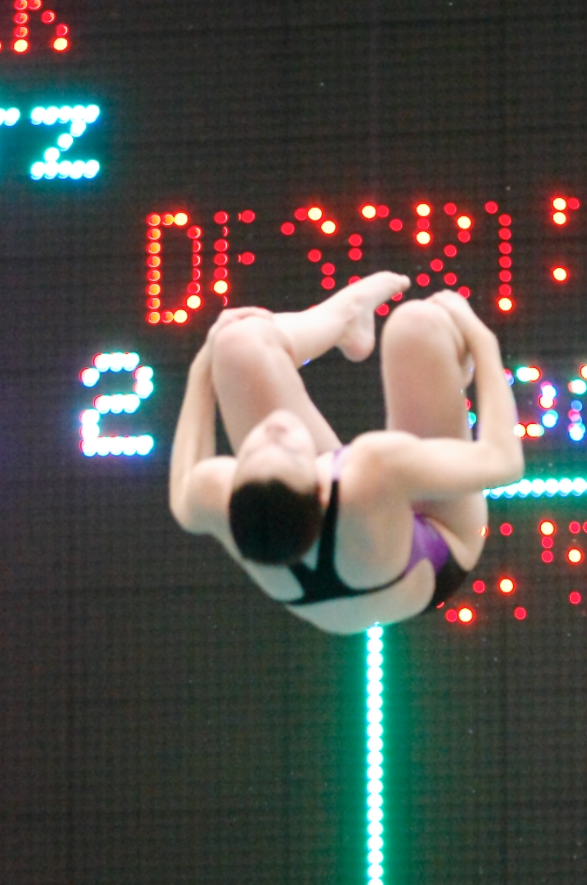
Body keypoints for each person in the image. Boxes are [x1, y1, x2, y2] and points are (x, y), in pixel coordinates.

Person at [169, 271, 524, 635]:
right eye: (289, 450)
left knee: (234, 344)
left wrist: (204, 366)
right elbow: (504, 461)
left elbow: (182, 496)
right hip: (439, 544)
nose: (274, 429)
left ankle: (346, 318)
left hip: (330, 564)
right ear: (321, 485)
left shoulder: (217, 496)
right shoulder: (373, 470)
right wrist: (481, 340)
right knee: (418, 326)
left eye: (254, 450)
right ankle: (449, 360)